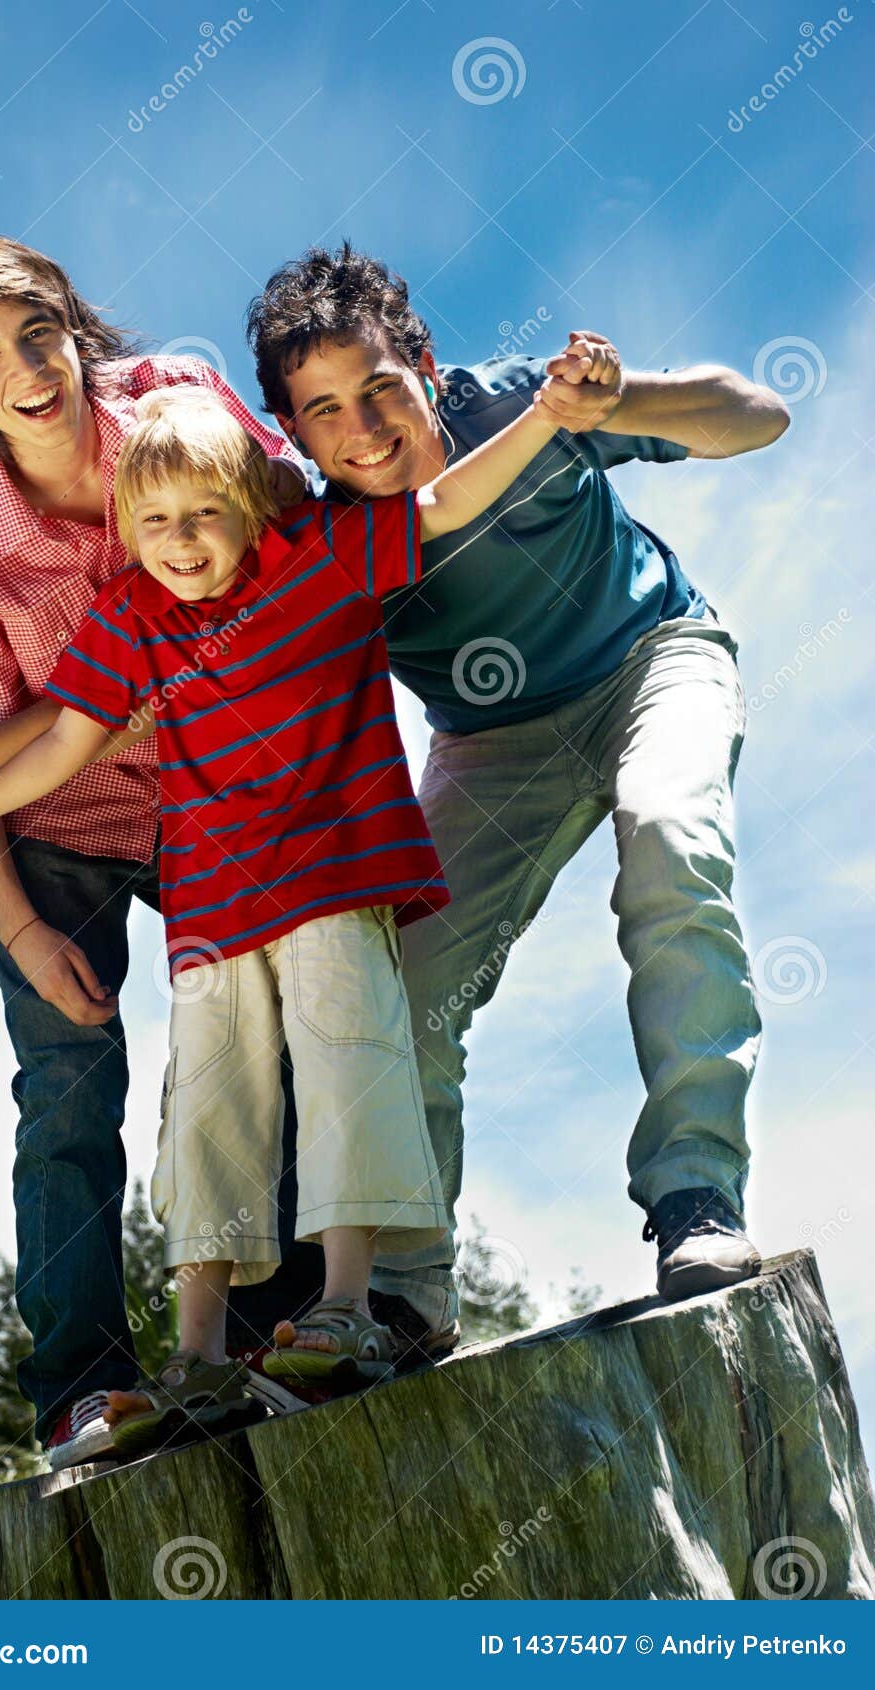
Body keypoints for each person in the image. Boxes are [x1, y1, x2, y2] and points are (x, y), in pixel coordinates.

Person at [0, 368, 575, 1452]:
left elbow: (443, 503)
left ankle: (346, 1304)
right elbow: (66, 743)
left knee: (345, 1073)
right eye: (154, 522)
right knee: (208, 1110)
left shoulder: (321, 558)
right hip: (213, 910)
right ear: (127, 532)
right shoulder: (133, 616)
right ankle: (199, 1354)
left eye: (203, 514)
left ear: (248, 507)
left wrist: (549, 418)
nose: (180, 540)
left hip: (332, 883)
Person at [245, 244, 791, 1340]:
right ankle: (409, 1291)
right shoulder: (325, 541)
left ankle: (694, 1191)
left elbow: (757, 415)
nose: (364, 428)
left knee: (669, 836)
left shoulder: (516, 405)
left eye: (380, 387)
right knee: (407, 985)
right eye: (325, 411)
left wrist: (612, 402)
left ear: (426, 367)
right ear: (292, 433)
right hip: (491, 746)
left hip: (651, 658)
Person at [0, 235, 310, 1470]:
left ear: (75, 328)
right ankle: (80, 1386)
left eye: (36, 333)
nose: (24, 370)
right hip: (51, 832)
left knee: (267, 1041)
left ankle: (273, 1337)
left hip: (212, 793)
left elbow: (290, 532)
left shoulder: (176, 407)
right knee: (67, 1090)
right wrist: (20, 928)